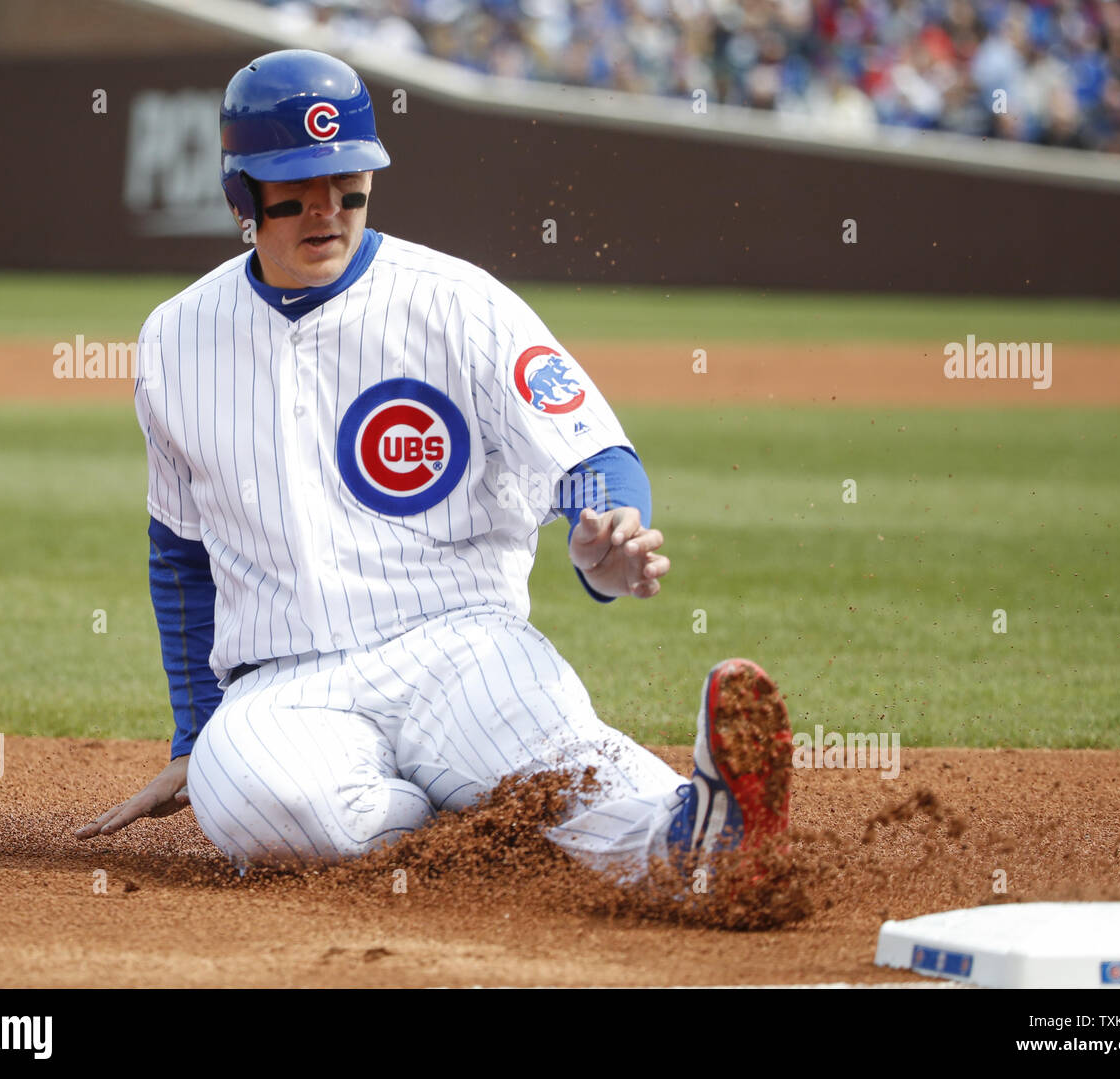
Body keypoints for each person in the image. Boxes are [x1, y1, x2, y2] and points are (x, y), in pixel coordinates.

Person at [75, 49, 791, 881]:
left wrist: (608, 533)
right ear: (242, 195)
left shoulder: (459, 301)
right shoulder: (174, 337)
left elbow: (587, 446)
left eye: (348, 186)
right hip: (284, 683)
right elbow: (181, 553)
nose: (327, 211)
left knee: (560, 760)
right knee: (260, 808)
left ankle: (695, 834)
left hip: (458, 645)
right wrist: (198, 734)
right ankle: (464, 817)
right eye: (296, 192)